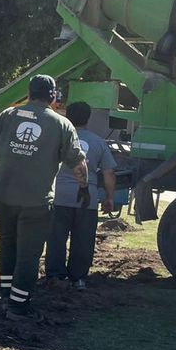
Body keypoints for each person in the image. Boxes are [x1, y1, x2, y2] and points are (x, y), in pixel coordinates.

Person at [0, 74, 87, 319]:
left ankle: (6, 297)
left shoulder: (7, 115)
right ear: (53, 96)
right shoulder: (62, 124)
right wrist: (84, 186)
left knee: (7, 244)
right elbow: (78, 164)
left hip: (2, 196)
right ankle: (19, 306)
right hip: (36, 201)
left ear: (29, 94)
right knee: (28, 254)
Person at [45, 102, 118, 290]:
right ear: (88, 118)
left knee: (56, 239)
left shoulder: (58, 138)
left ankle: (55, 276)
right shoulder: (98, 142)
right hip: (87, 199)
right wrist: (109, 198)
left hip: (59, 196)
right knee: (83, 240)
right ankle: (78, 279)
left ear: (67, 115)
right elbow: (109, 173)